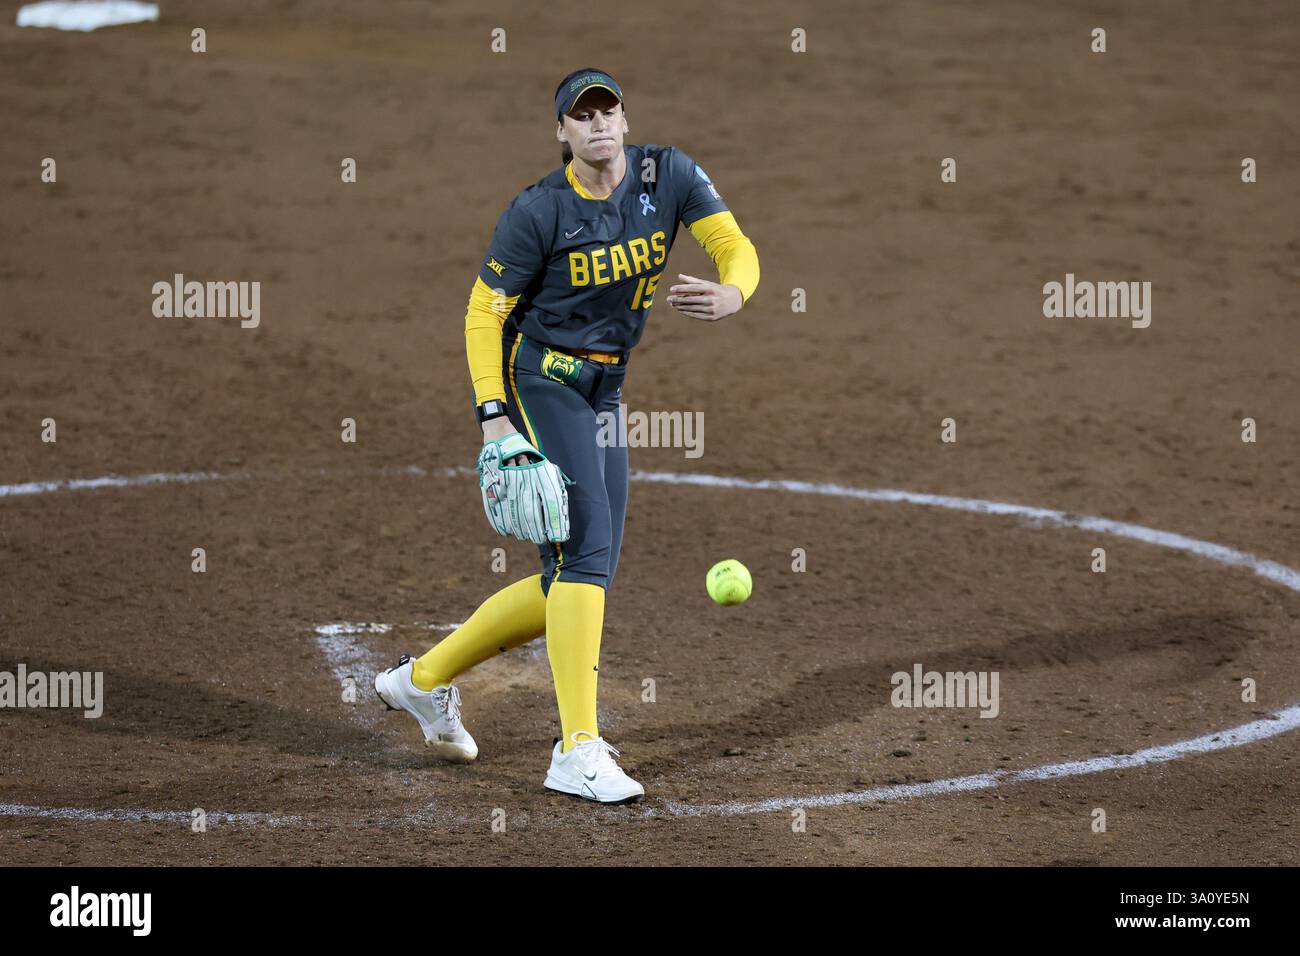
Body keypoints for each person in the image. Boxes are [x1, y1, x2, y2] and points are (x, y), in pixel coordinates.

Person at [376, 68, 760, 803]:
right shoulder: (538, 212)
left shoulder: (668, 174)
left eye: (606, 110)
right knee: (584, 552)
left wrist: (732, 290)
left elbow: (735, 245)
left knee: (581, 572)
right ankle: (575, 751)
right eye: (581, 116)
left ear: (623, 116)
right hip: (544, 380)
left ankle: (420, 681)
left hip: (608, 387)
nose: (598, 124)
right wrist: (492, 415)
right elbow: (483, 315)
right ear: (563, 133)